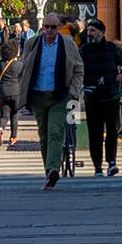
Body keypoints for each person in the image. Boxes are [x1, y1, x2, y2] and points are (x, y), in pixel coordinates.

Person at [18, 12, 84, 190]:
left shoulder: (68, 44)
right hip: (38, 95)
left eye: (53, 27)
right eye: (46, 27)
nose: (49, 30)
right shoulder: (32, 43)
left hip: (59, 95)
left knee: (55, 131)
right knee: (44, 135)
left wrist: (73, 92)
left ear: (58, 27)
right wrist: (23, 90)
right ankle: (49, 170)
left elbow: (78, 68)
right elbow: (23, 67)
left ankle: (53, 169)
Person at [80, 18, 122, 178]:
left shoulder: (112, 48)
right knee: (94, 134)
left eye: (93, 31)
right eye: (88, 30)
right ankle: (97, 167)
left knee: (111, 131)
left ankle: (111, 162)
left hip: (110, 97)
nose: (89, 34)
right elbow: (75, 66)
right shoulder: (83, 50)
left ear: (101, 33)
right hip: (92, 98)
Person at [0, 38, 22, 148]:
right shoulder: (19, 64)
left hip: (3, 92)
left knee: (4, 115)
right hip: (16, 92)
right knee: (14, 115)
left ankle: (1, 129)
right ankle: (13, 138)